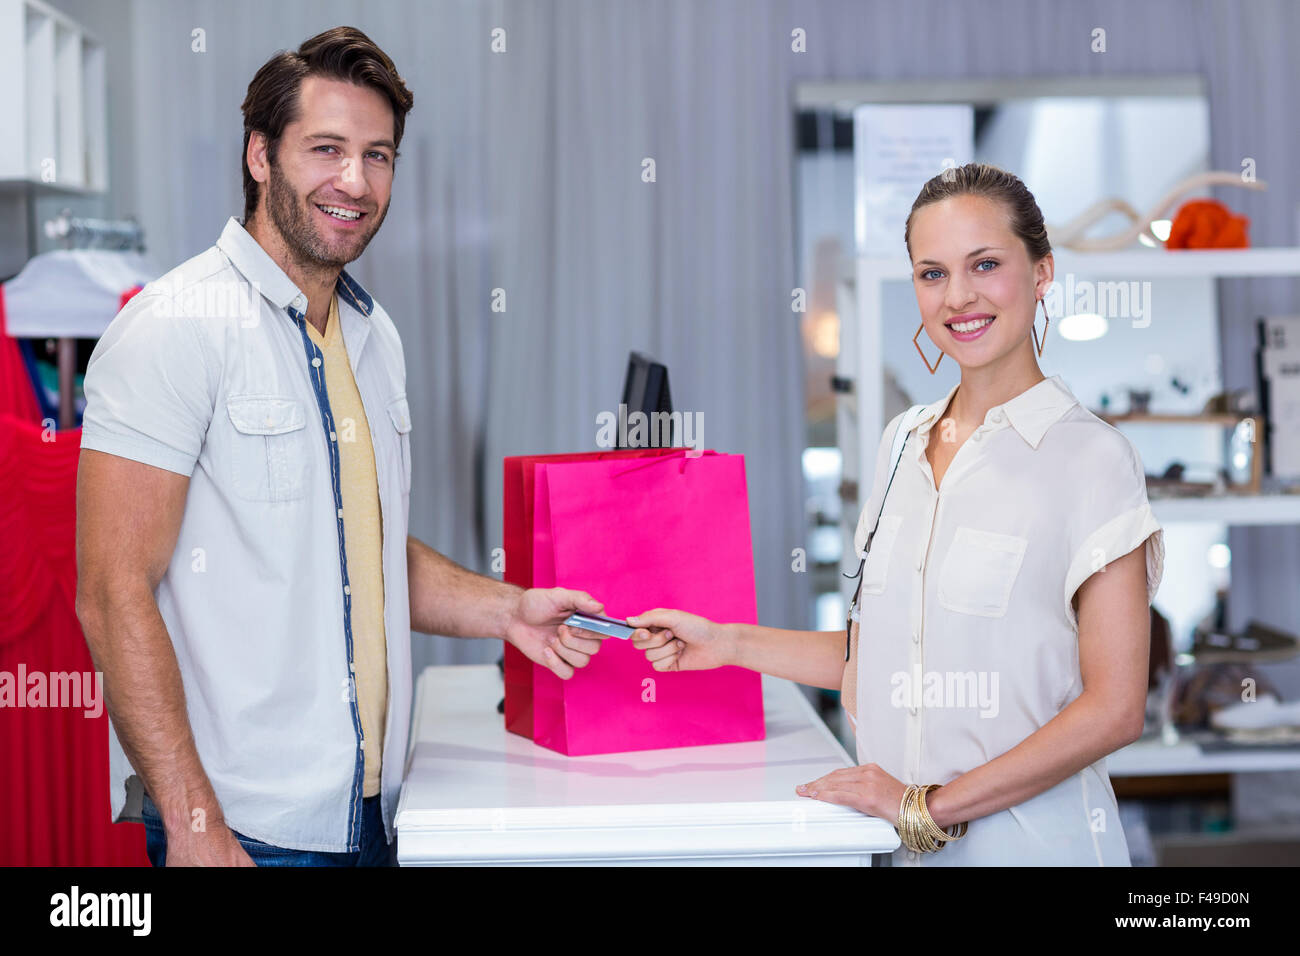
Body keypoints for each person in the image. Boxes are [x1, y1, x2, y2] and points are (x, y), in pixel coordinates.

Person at [75, 27, 608, 868]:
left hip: (373, 814)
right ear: (260, 154)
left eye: (378, 155)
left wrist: (509, 611)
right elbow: (111, 593)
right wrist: (193, 822)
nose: (354, 181)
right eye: (326, 149)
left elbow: (357, 551)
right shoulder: (171, 328)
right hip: (243, 826)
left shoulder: (372, 334)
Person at [629, 162, 1164, 866]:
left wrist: (925, 808)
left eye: (986, 264)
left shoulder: (1092, 459)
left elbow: (1115, 706)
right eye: (932, 273)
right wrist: (726, 643)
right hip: (903, 852)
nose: (959, 296)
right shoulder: (902, 442)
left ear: (1041, 274)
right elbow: (879, 658)